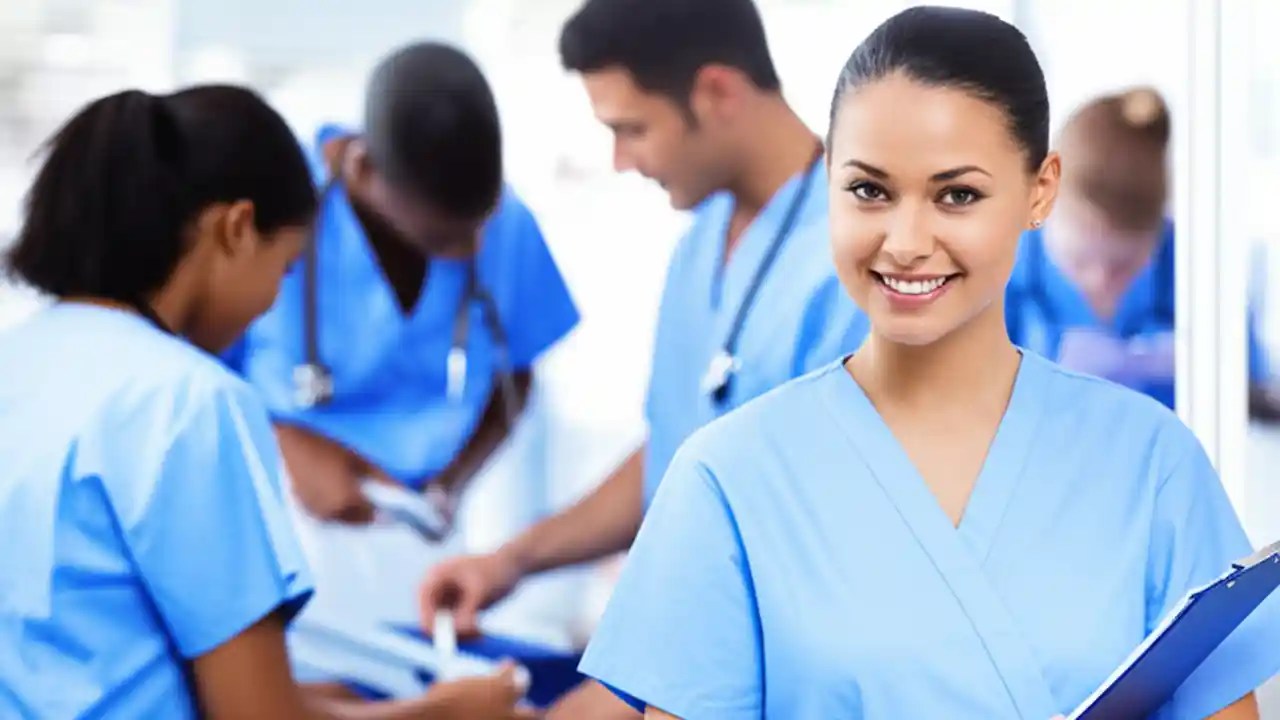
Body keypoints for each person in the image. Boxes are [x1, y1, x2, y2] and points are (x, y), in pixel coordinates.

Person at [574, 7, 1280, 719]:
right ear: (829, 184)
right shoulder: (725, 480)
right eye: (869, 191)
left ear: (1040, 191)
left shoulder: (1152, 466)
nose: (906, 241)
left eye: (958, 195)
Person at [0, 86, 534, 718]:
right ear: (236, 229)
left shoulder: (22, 359)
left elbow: (110, 658)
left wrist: (323, 705)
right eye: (284, 269)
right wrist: (447, 713)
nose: (272, 304)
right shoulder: (190, 400)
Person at [419, 0, 869, 715]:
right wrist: (511, 562)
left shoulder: (859, 262)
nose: (620, 160)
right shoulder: (700, 244)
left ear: (717, 91)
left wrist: (628, 693)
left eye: (632, 129)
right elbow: (676, 455)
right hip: (674, 665)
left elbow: (829, 554)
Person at [224, 41, 579, 528]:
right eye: (444, 237)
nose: (473, 249)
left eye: (480, 226)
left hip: (416, 525)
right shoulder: (275, 205)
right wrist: (284, 441)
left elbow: (514, 374)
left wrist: (449, 484)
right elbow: (200, 368)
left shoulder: (507, 222)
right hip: (281, 507)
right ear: (364, 171)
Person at [1005, 87, 1279, 417]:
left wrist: (1198, 371)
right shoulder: (992, 276)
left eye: (1124, 264)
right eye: (1080, 260)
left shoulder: (1200, 277)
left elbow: (1260, 410)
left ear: (1158, 234)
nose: (1100, 280)